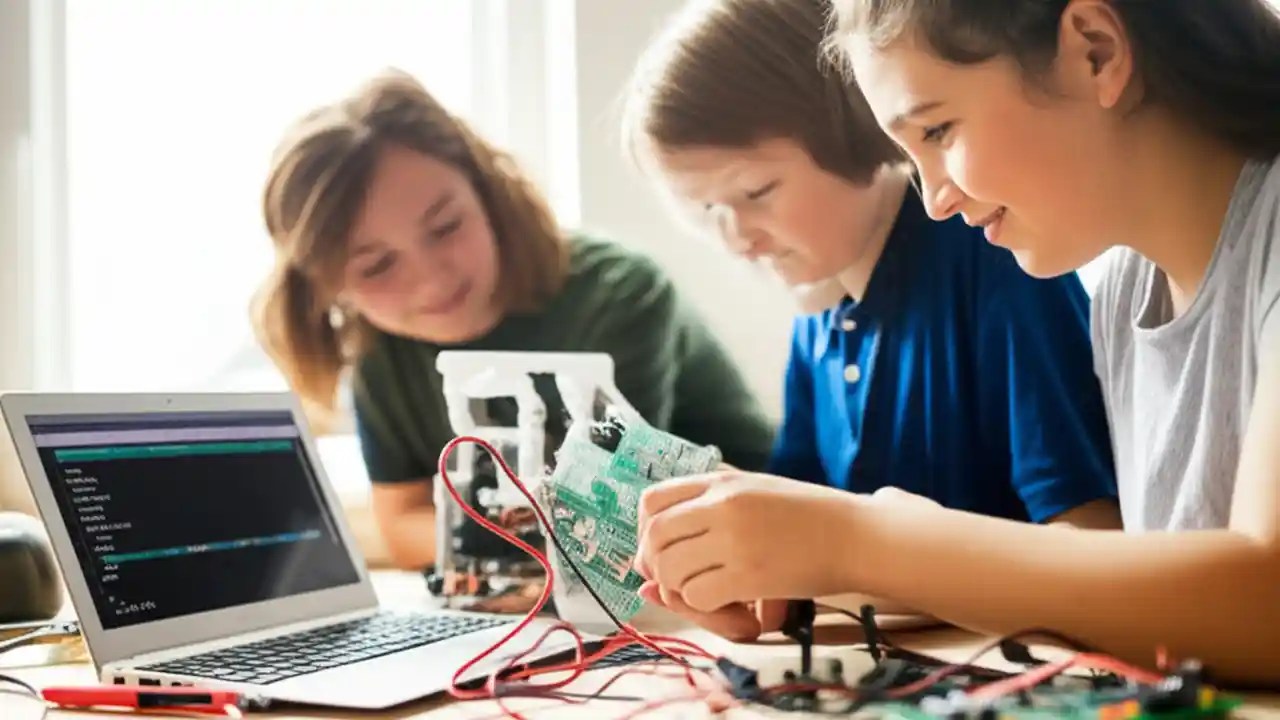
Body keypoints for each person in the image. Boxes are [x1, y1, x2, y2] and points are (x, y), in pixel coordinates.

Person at [637, 0, 1280, 685]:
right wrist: (791, 557)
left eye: (938, 129)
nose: (934, 199)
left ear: (1095, 50)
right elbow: (1174, 618)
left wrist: (862, 540)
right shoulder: (1126, 290)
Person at [623, 0, 1119, 640]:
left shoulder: (997, 255)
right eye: (708, 211)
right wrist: (754, 586)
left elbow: (1093, 536)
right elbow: (800, 551)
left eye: (756, 193)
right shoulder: (820, 316)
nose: (738, 238)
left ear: (857, 123)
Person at [252, 69, 775, 570]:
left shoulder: (618, 294)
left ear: (487, 190)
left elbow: (612, 523)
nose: (432, 280)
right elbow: (403, 524)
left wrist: (473, 536)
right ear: (328, 287)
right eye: (378, 265)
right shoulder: (378, 354)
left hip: (758, 558)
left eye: (446, 226)